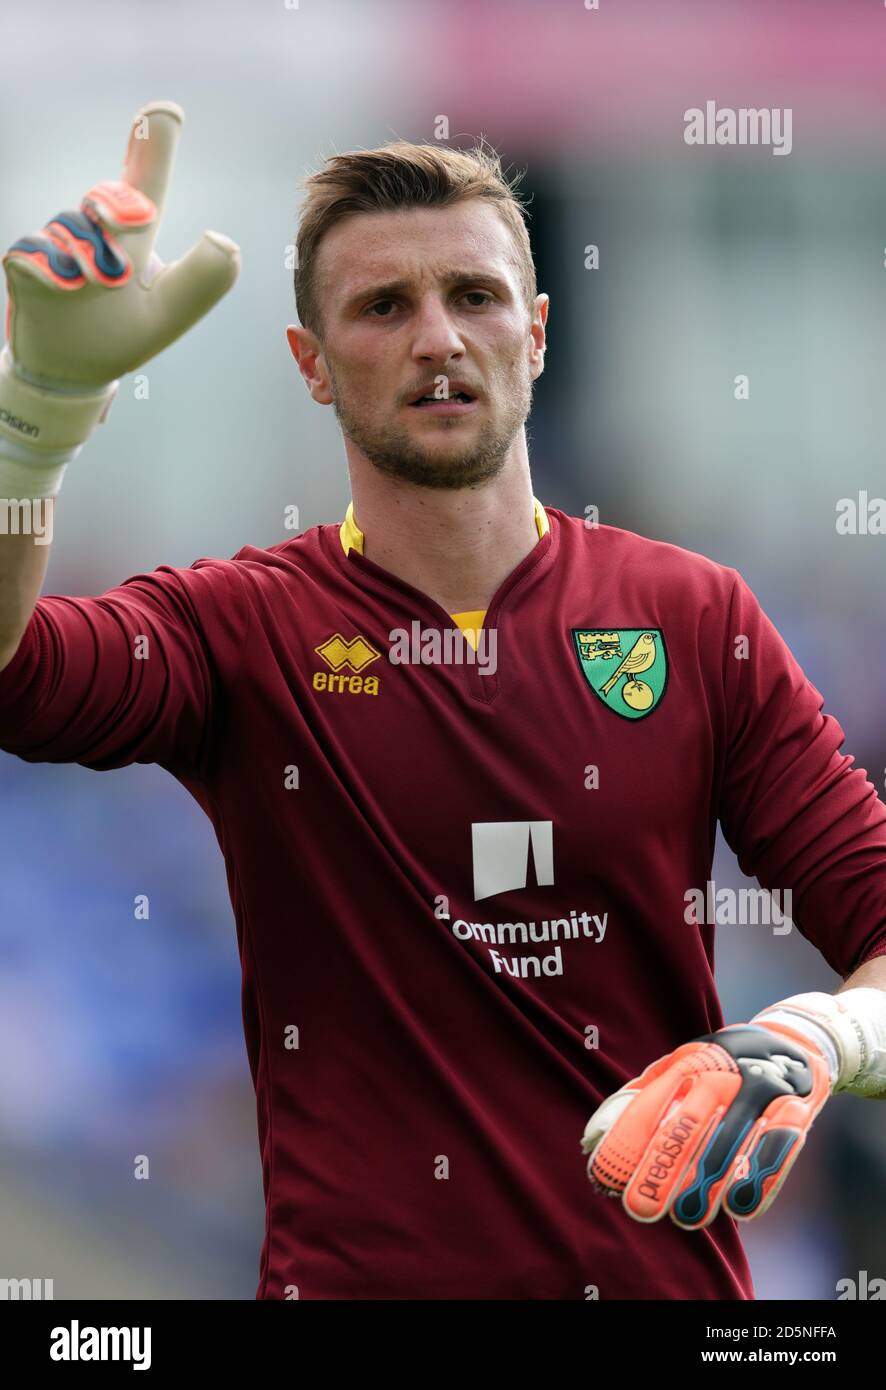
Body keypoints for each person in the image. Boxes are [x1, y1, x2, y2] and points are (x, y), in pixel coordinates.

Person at [0, 100, 884, 1302]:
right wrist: (35, 414)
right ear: (312, 363)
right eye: (381, 306)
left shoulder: (691, 618)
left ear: (537, 331)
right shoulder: (240, 627)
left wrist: (816, 1040)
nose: (437, 338)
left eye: (473, 296)